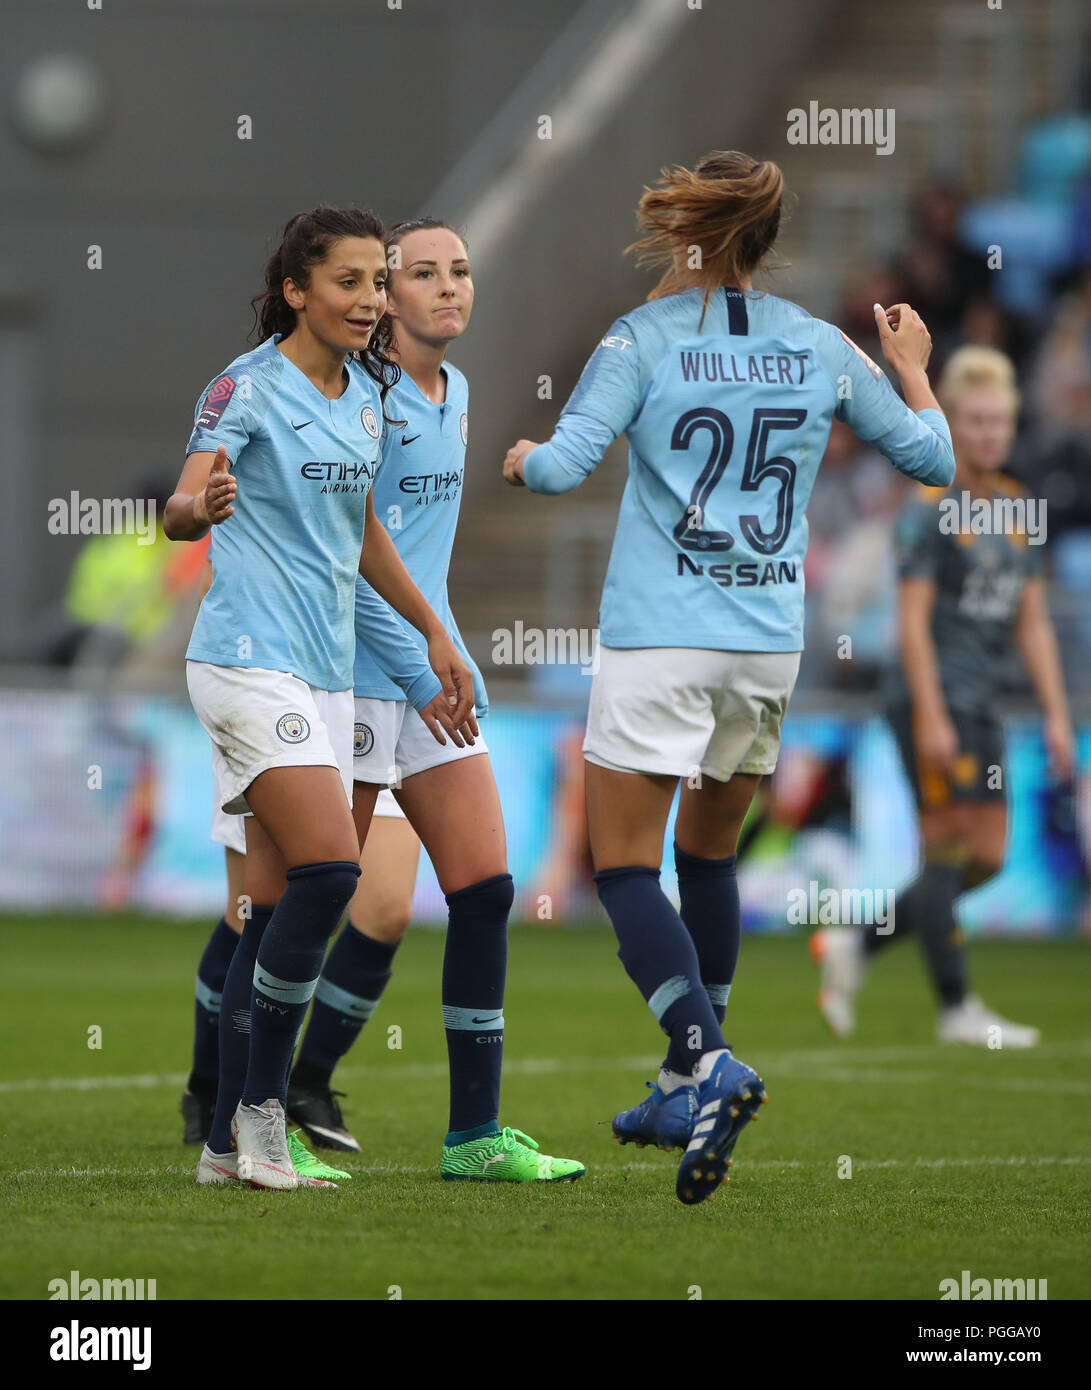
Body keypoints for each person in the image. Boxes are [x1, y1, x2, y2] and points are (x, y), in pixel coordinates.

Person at [501, 151, 955, 1204]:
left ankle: (707, 1058)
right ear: (763, 240)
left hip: (661, 636)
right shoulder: (818, 345)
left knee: (622, 867)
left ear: (679, 234)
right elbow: (931, 462)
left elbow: (565, 467)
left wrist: (525, 458)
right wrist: (914, 367)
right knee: (707, 860)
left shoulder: (639, 339)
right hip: (762, 643)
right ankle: (675, 1082)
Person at [165, 205, 474, 1190]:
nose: (369, 301)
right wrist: (195, 508)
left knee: (263, 909)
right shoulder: (243, 386)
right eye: (349, 283)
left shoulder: (367, 396)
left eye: (377, 283)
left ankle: (223, 1142)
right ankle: (262, 1107)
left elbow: (365, 531)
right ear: (296, 289)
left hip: (324, 673)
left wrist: (429, 628)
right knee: (331, 875)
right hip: (244, 661)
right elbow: (183, 499)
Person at [288, 219, 584, 1183]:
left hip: (427, 678)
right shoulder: (363, 400)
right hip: (361, 681)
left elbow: (419, 562)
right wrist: (427, 665)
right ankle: (259, 1103)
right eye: (422, 275)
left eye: (458, 271)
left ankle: (473, 1138)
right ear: (386, 297)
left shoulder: (455, 392)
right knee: (324, 901)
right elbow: (355, 563)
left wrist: (450, 649)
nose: (447, 288)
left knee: (485, 890)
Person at [812, 345, 1075, 1045]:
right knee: (947, 850)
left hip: (983, 700)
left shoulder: (1018, 508)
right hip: (928, 696)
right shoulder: (928, 506)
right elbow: (910, 619)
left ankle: (857, 944)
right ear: (950, 421)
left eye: (998, 421)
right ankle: (957, 1007)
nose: (987, 432)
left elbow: (1032, 622)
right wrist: (928, 713)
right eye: (974, 419)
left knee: (985, 855)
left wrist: (1055, 717)